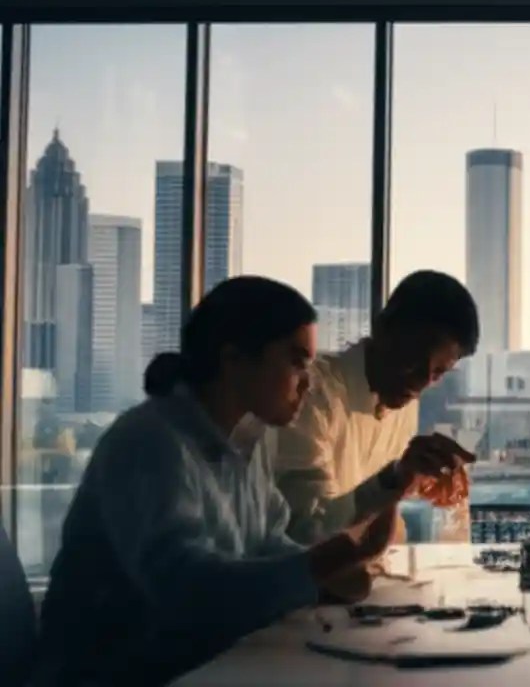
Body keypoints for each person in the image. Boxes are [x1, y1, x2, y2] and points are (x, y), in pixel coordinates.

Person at [31, 277, 463, 686]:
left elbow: (269, 543)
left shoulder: (244, 447)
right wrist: (327, 562)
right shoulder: (150, 443)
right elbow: (186, 592)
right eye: (296, 362)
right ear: (234, 359)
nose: (307, 382)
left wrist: (333, 573)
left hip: (199, 667)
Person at [269, 269, 480, 546]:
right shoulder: (308, 395)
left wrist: (414, 482)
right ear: (382, 328)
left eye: (438, 372)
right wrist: (393, 481)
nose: (421, 382)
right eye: (415, 358)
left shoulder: (403, 402)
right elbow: (304, 529)